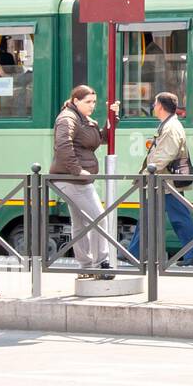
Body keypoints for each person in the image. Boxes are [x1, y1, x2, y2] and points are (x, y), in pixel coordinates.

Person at [50, 85, 120, 281]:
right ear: (75, 101)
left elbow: (102, 138)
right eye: (88, 102)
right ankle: (100, 264)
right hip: (72, 179)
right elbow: (63, 145)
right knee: (99, 218)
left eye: (94, 102)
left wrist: (112, 117)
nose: (92, 106)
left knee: (80, 223)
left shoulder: (84, 119)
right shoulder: (67, 118)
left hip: (74, 178)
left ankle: (86, 266)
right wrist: (77, 171)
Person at [127, 92, 193, 268]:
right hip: (163, 180)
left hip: (165, 181)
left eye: (154, 102)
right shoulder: (168, 125)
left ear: (160, 105)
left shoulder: (171, 127)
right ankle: (134, 253)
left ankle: (192, 253)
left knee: (178, 218)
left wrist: (146, 173)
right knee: (150, 216)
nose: (153, 106)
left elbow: (164, 155)